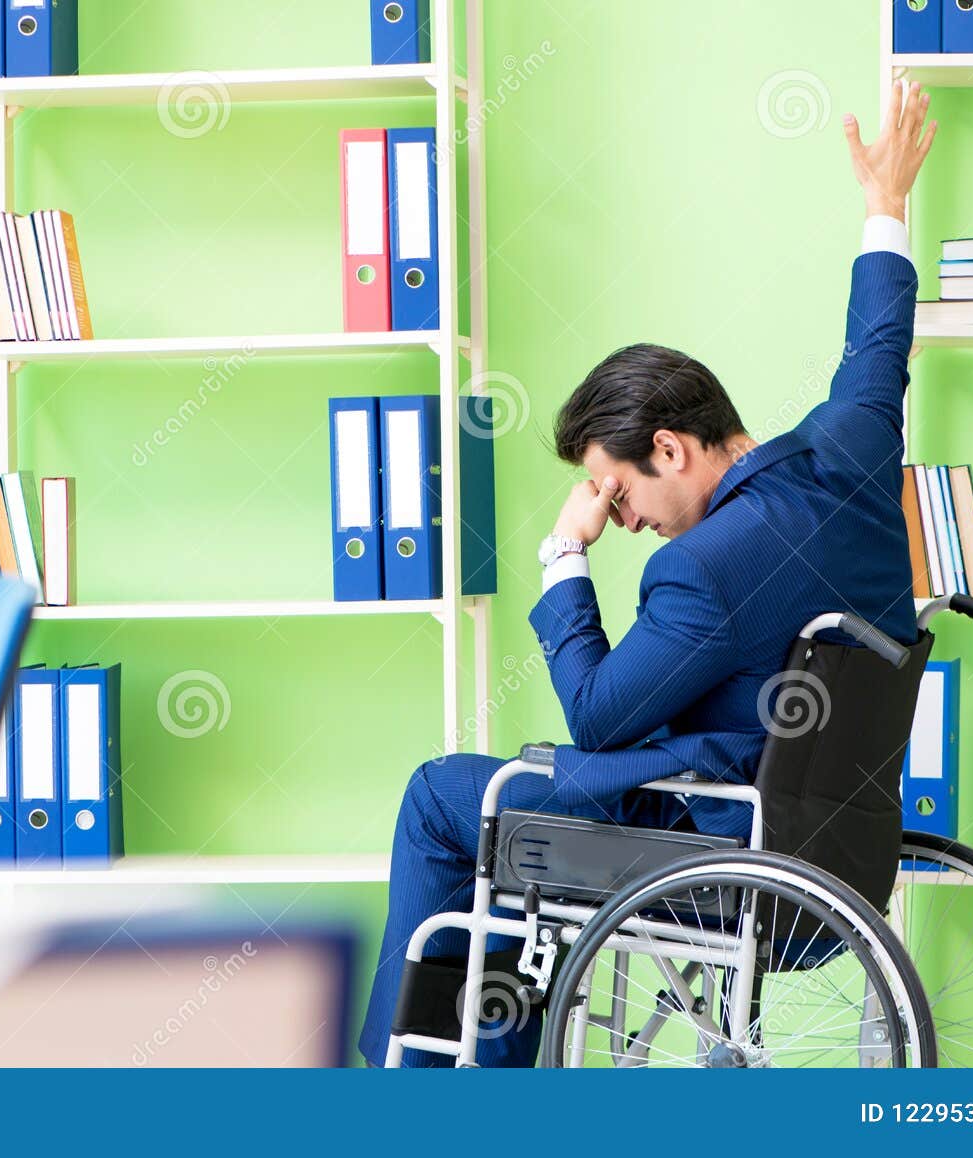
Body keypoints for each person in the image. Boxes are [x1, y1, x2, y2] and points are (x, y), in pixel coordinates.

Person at [359, 79, 940, 1067]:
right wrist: (884, 206)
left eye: (615, 490)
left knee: (443, 796)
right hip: (838, 862)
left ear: (669, 448)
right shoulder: (853, 452)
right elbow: (877, 344)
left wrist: (563, 556)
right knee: (520, 818)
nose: (619, 519)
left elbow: (597, 716)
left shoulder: (702, 570)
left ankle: (411, 1087)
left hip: (718, 854)